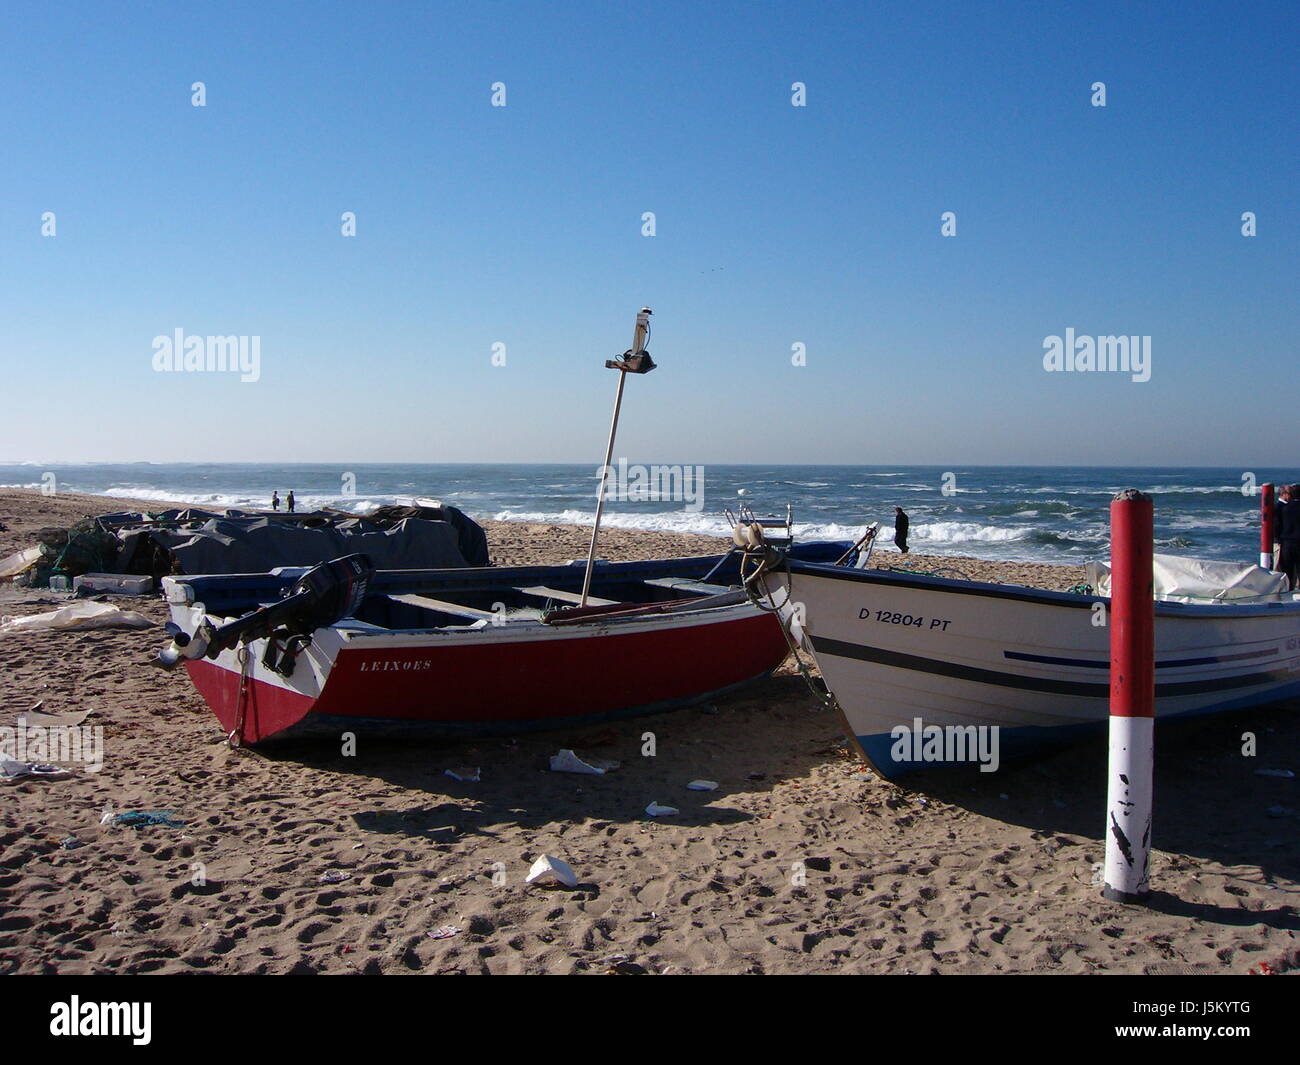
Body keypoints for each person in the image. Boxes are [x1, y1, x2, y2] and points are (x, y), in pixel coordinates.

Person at [1279, 484, 1300, 591]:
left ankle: (1288, 592)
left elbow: (1278, 525)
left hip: (1287, 543)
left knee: (1288, 572)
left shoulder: (1284, 508)